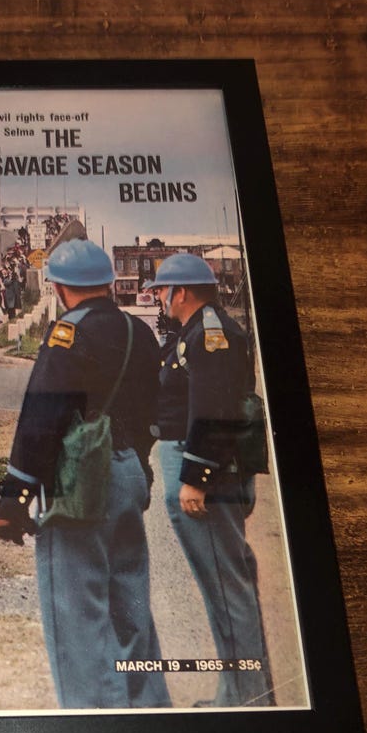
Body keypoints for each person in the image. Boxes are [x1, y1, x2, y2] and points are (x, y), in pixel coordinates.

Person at [0, 239, 170, 710]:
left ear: (58, 288)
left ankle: (99, 724)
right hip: (130, 470)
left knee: (78, 615)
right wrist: (140, 466)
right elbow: (154, 410)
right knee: (131, 606)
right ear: (108, 282)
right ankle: (150, 714)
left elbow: (41, 417)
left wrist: (14, 498)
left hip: (82, 481)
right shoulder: (138, 331)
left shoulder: (68, 333)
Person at [145, 252, 273, 707]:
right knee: (226, 587)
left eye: (162, 291)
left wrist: (196, 477)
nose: (159, 299)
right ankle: (239, 692)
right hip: (210, 469)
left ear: (181, 292)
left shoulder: (211, 334)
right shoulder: (197, 331)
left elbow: (214, 409)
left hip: (210, 476)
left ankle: (248, 701)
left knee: (226, 587)